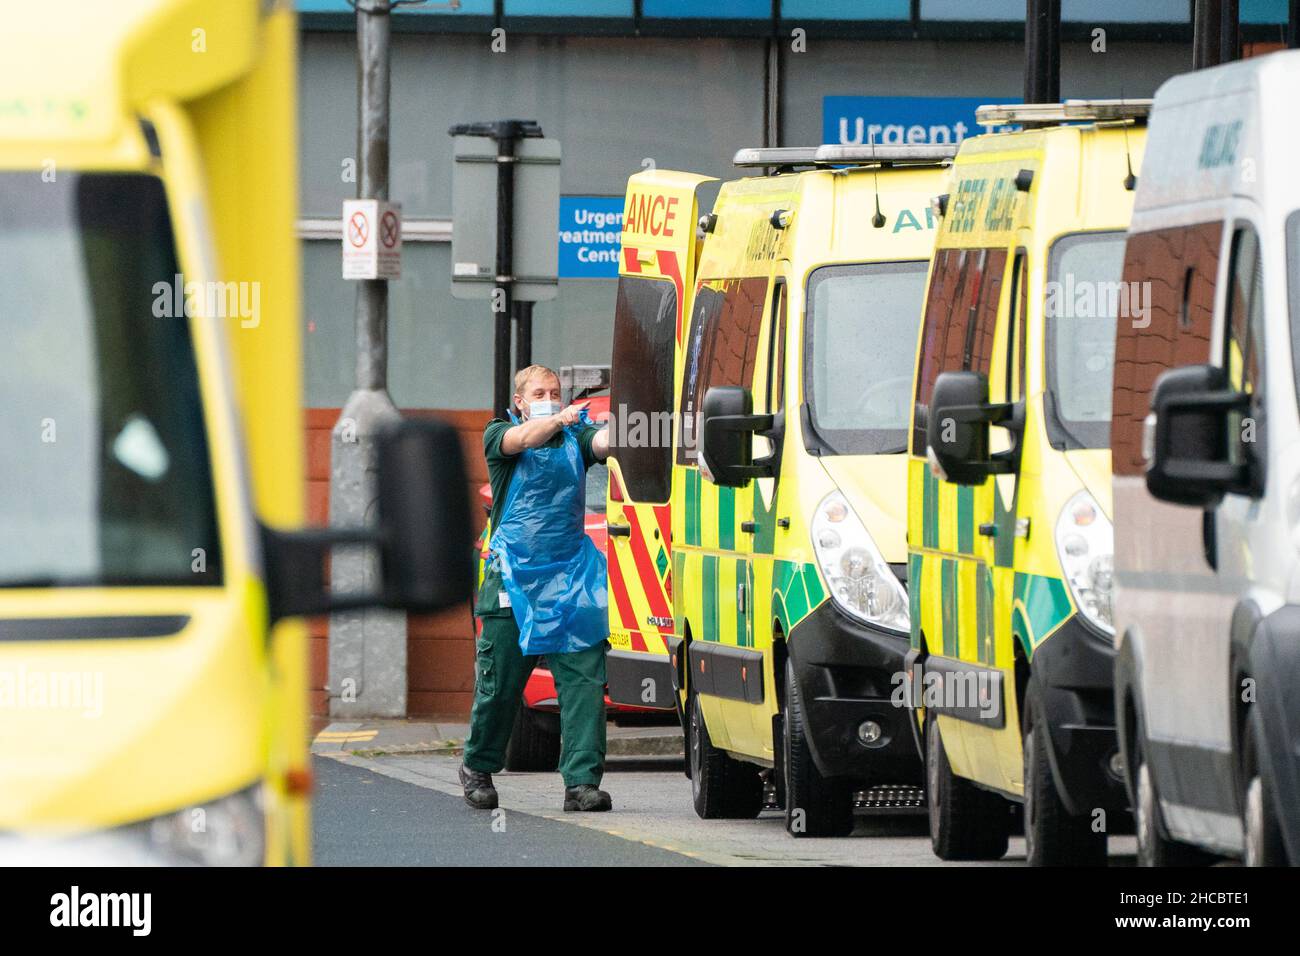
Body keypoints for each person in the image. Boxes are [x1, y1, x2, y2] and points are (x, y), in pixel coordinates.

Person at [460, 364, 613, 812]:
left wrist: (621, 429)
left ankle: (582, 783)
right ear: (521, 402)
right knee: (501, 682)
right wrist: (559, 419)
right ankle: (478, 765)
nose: (549, 396)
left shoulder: (575, 439)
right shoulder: (499, 434)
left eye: (555, 391)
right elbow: (523, 440)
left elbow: (601, 443)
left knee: (584, 680)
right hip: (513, 578)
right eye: (539, 392)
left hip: (570, 579)